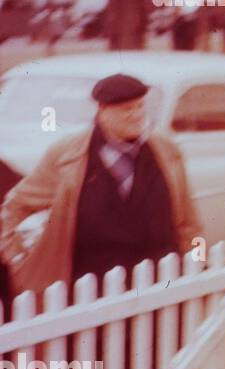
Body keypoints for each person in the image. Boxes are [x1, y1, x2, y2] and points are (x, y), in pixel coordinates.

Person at [0, 73, 199, 298]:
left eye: (140, 107)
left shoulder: (166, 151)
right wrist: (15, 256)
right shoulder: (66, 155)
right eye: (126, 110)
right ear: (102, 111)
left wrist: (195, 262)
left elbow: (189, 222)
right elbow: (15, 205)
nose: (136, 116)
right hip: (90, 292)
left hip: (159, 285)